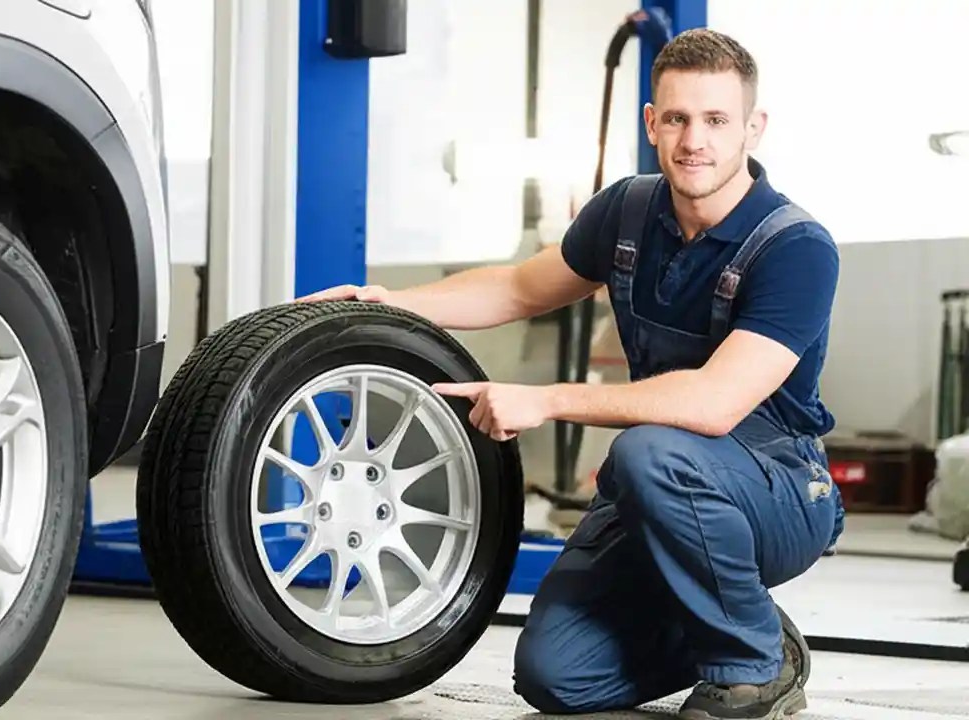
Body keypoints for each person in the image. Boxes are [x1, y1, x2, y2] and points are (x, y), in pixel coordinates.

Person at [297, 27, 845, 720]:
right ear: (652, 123)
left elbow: (713, 403)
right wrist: (395, 303)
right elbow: (521, 289)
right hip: (662, 484)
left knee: (650, 452)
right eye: (676, 118)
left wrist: (546, 400)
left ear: (752, 128)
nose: (693, 141)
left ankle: (751, 666)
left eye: (715, 120)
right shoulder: (629, 210)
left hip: (780, 491)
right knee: (556, 675)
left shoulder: (796, 247)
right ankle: (749, 627)